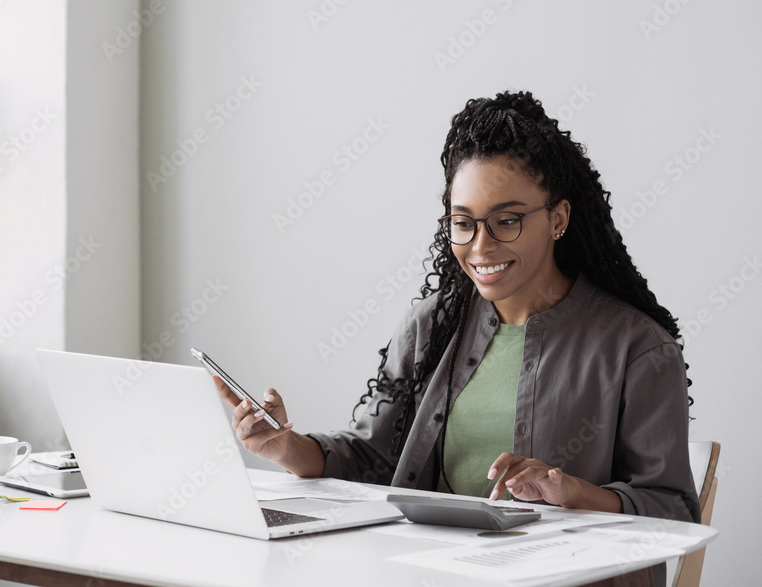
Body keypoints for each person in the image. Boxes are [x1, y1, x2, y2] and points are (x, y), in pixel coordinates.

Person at [214, 90, 699, 584]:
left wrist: (571, 492)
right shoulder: (433, 324)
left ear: (558, 219)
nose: (481, 246)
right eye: (463, 223)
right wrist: (283, 446)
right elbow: (375, 456)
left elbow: (674, 511)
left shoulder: (637, 347)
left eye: (506, 221)